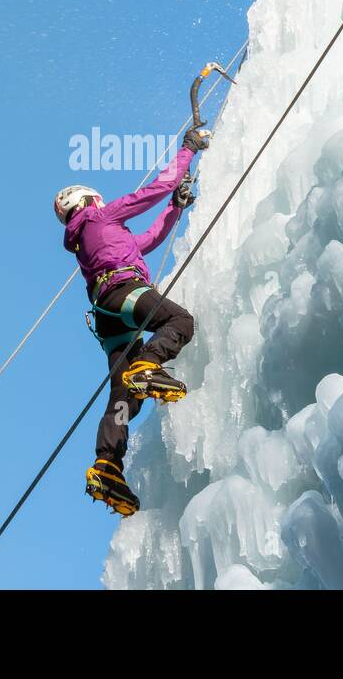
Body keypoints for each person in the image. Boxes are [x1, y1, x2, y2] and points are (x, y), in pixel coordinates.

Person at [54, 127, 210, 516]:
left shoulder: (91, 237)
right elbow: (154, 189)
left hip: (110, 318)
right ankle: (150, 363)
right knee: (180, 321)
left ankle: (108, 464)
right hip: (125, 293)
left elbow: (150, 239)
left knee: (123, 397)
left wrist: (176, 207)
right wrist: (188, 150)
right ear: (89, 200)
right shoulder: (102, 215)